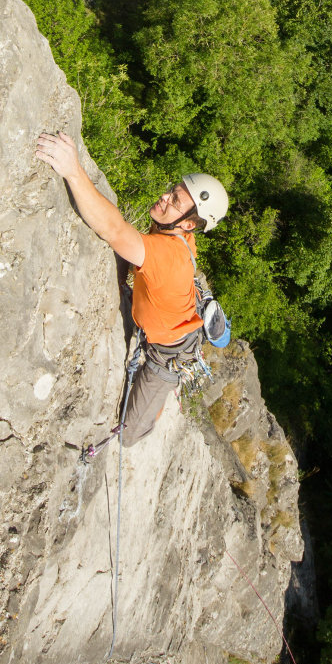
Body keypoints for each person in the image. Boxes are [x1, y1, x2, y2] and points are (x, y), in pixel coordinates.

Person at [35, 131, 229, 446]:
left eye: (175, 200)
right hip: (174, 316)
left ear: (189, 224)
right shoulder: (172, 234)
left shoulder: (169, 253)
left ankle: (162, 397)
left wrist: (73, 169)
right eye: (172, 191)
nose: (165, 197)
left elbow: (114, 229)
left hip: (167, 351)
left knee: (129, 434)